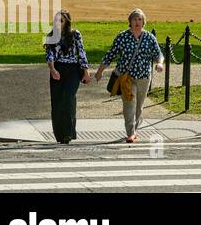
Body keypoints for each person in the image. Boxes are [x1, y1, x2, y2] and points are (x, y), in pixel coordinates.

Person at [96, 8, 165, 143]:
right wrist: (100, 71)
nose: (137, 22)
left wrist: (160, 63)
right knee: (129, 105)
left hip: (144, 77)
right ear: (130, 22)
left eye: (140, 19)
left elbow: (158, 54)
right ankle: (131, 132)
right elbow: (110, 55)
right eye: (134, 19)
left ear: (143, 22)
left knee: (139, 106)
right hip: (127, 78)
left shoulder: (149, 38)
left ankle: (135, 128)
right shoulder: (122, 37)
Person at [45, 10, 91, 144]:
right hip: (58, 69)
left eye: (61, 20)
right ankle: (59, 134)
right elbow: (50, 55)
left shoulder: (75, 35)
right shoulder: (51, 36)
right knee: (57, 101)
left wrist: (86, 71)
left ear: (67, 22)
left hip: (73, 70)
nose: (58, 23)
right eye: (56, 20)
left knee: (69, 99)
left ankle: (68, 133)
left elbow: (81, 52)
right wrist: (52, 69)